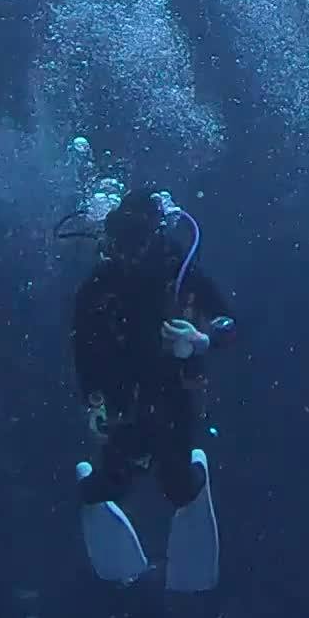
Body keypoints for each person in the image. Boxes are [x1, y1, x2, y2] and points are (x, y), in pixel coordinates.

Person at [71, 185, 235, 590]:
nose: (129, 250)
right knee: (110, 483)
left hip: (171, 393)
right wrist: (93, 401)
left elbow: (229, 322)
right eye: (122, 236)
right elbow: (83, 347)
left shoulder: (180, 272)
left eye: (137, 237)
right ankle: (97, 484)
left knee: (176, 485)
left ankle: (195, 474)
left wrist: (202, 340)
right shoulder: (98, 285)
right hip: (123, 399)